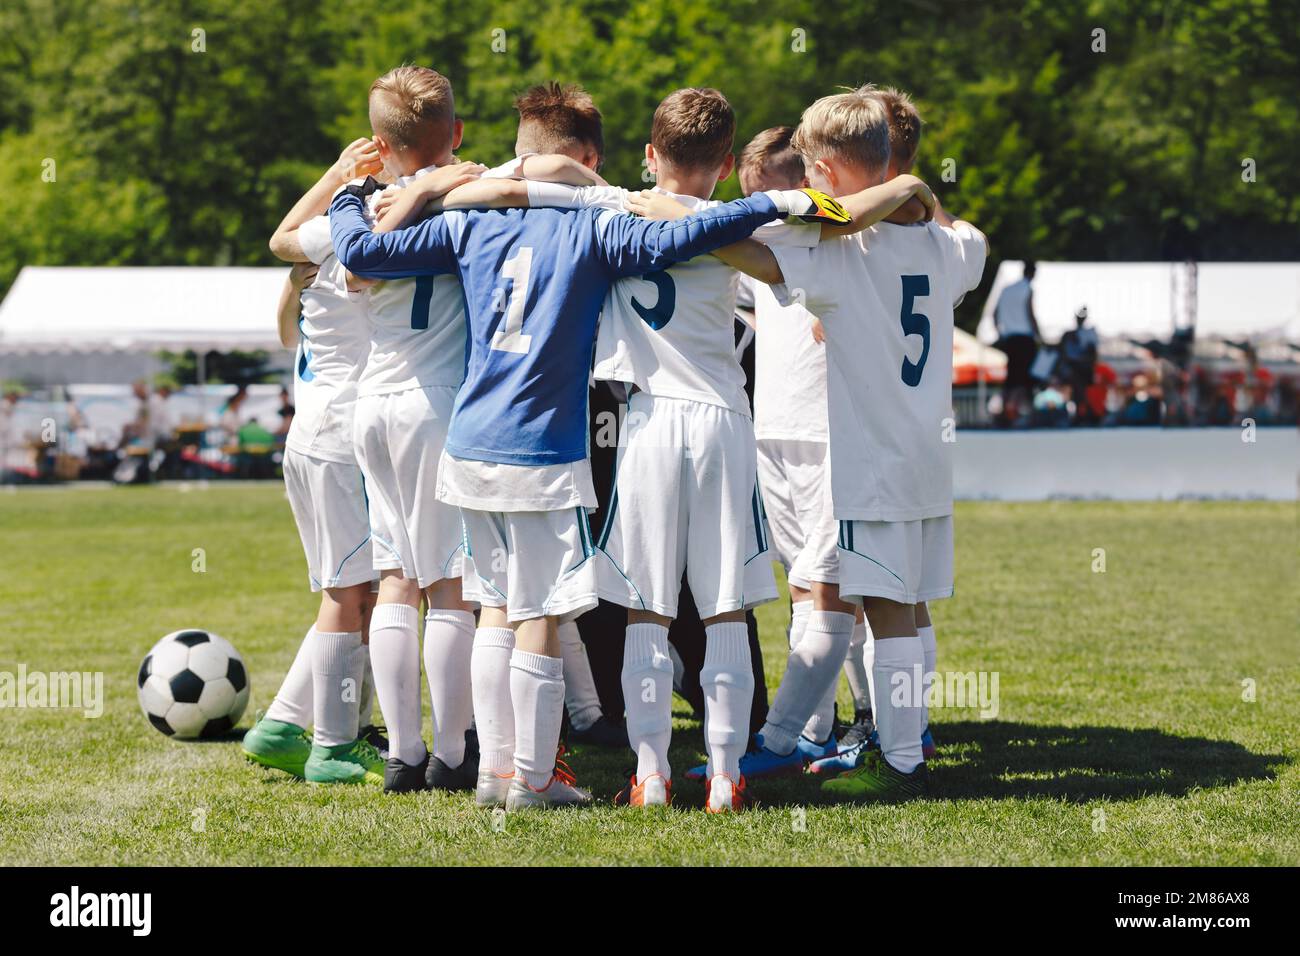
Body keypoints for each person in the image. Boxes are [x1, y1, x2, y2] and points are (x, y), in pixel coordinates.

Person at [330, 142, 843, 811]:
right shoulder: (596, 220)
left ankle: (492, 771)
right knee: (560, 612)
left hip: (469, 434)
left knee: (493, 607)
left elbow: (362, 256)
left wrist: (352, 195)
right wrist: (773, 201)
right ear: (579, 158)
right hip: (548, 442)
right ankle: (539, 779)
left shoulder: (466, 218)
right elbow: (689, 233)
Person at [694, 85, 987, 801]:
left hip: (867, 450)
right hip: (924, 451)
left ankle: (900, 761)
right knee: (905, 601)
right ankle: (900, 744)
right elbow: (964, 240)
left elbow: (759, 258)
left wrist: (670, 217)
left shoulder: (841, 251)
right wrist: (914, 188)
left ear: (822, 166)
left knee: (884, 608)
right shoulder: (950, 245)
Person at [242, 135, 387, 786]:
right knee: (351, 594)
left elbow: (284, 242)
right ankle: (330, 744)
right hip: (341, 437)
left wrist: (333, 173)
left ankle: (290, 723)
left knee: (364, 590)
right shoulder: (366, 235)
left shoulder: (314, 249)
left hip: (319, 433)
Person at [992, 260, 1040, 423]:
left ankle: (1005, 410)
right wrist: (1038, 334)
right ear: (1032, 273)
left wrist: (1000, 333)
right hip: (1025, 338)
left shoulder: (1006, 289)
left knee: (1011, 376)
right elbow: (1030, 313)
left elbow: (995, 314)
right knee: (1024, 376)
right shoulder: (1027, 288)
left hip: (1010, 338)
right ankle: (1017, 410)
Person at [1059, 305, 1098, 423]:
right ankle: (1079, 415)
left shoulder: (1089, 333)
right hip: (1074, 368)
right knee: (1076, 392)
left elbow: (1093, 353)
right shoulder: (1069, 334)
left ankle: (1084, 415)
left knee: (1081, 393)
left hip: (1083, 368)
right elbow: (1063, 351)